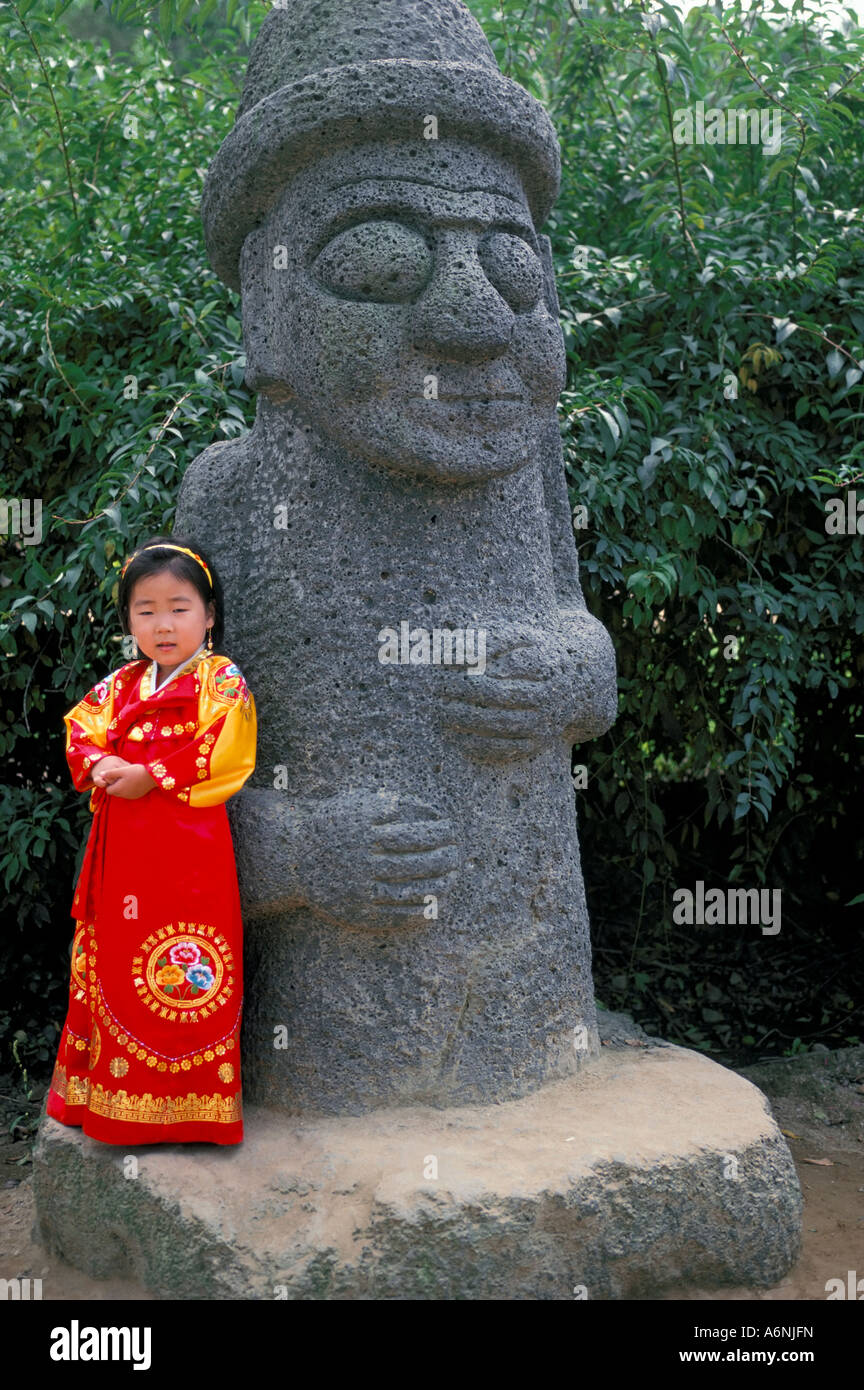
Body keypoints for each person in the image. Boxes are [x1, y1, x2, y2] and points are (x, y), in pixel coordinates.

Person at [45, 535, 257, 1145]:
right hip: (123, 855)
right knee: (117, 970)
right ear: (129, 620)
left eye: (180, 607)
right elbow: (79, 730)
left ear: (209, 615)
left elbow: (227, 749)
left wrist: (151, 775)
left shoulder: (223, 681)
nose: (163, 624)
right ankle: (115, 1104)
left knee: (188, 978)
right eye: (146, 610)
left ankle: (193, 1111)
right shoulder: (121, 686)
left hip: (191, 851)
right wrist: (106, 767)